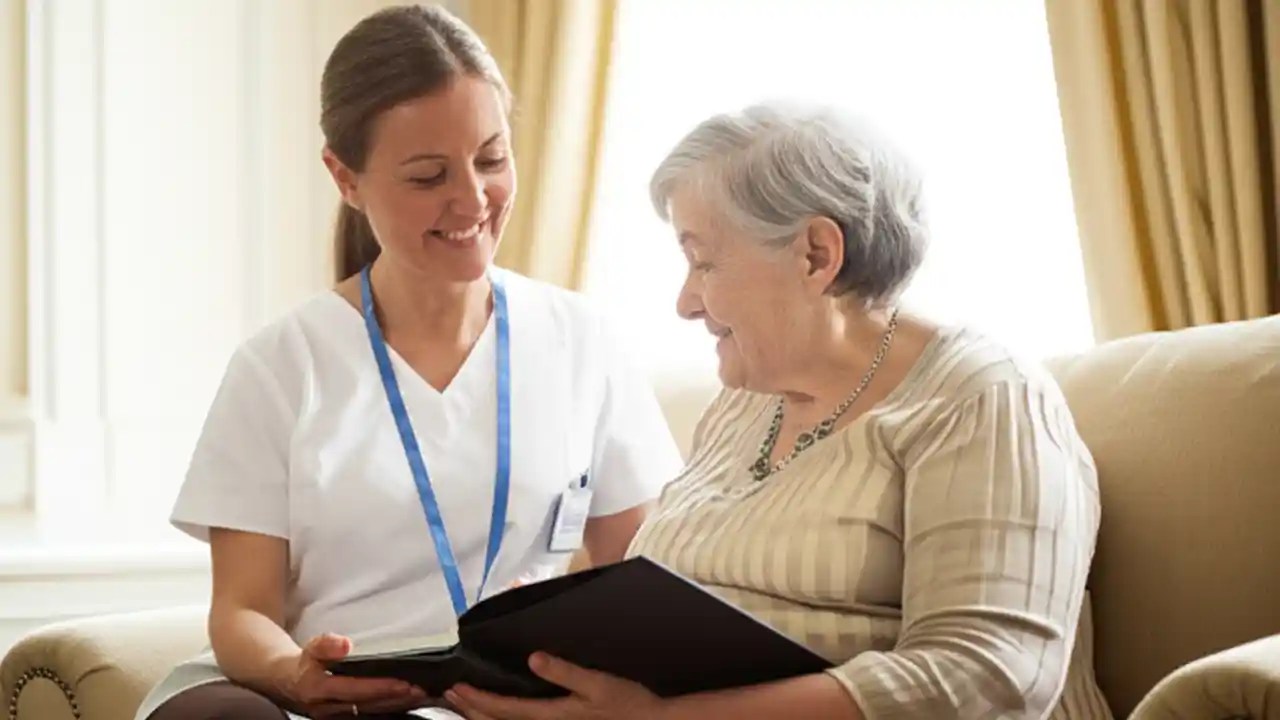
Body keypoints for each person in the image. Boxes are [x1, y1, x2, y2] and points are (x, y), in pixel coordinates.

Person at [443, 106, 1108, 720]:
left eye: (703, 262)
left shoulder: (981, 399)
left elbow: (987, 676)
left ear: (816, 254)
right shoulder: (744, 404)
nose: (686, 302)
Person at [136, 5, 681, 720]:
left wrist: (571, 626)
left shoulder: (581, 341)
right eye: (428, 176)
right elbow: (241, 610)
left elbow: (643, 574)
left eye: (491, 159)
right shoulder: (281, 366)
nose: (472, 199)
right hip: (316, 702)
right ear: (345, 177)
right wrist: (294, 673)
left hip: (501, 694)